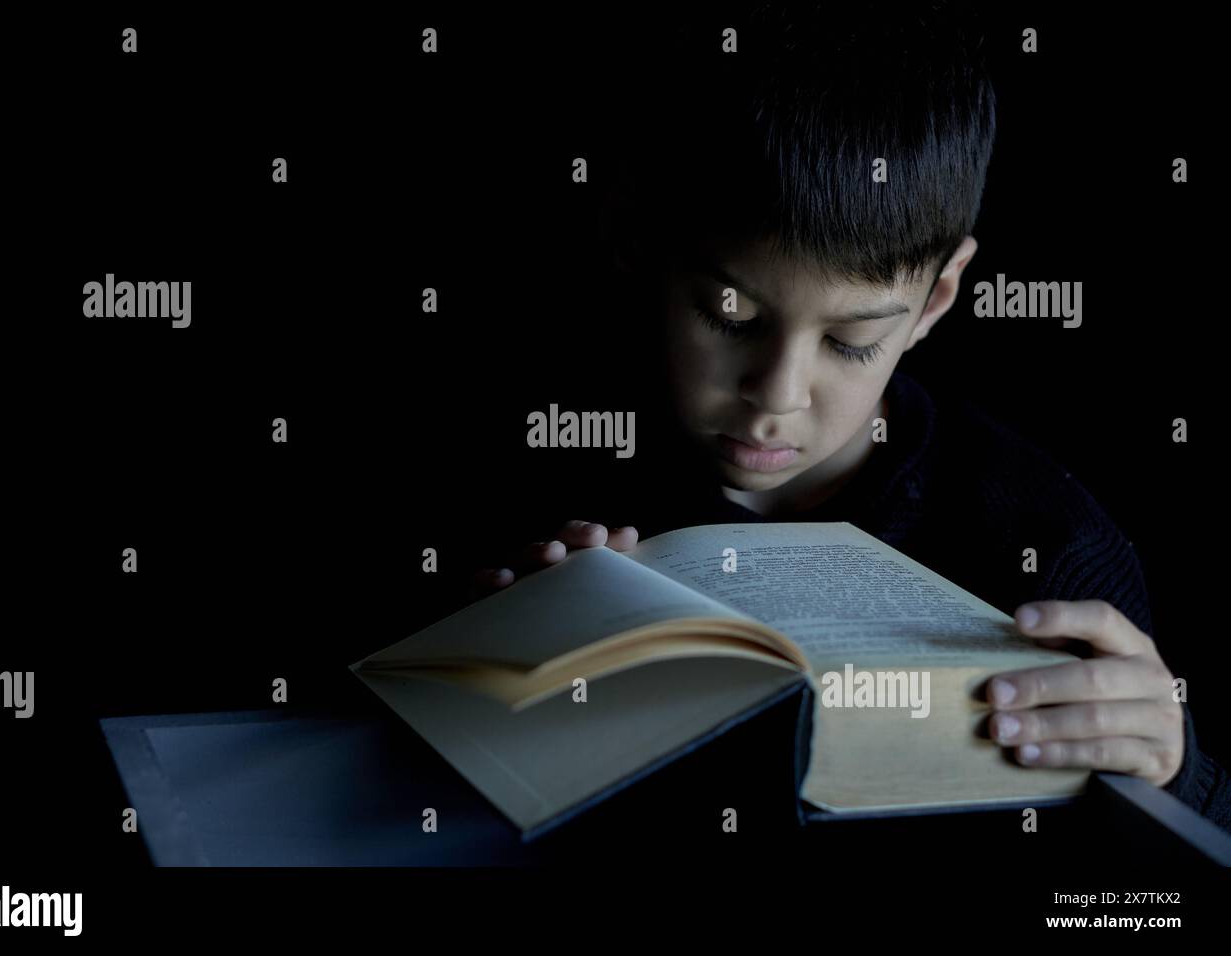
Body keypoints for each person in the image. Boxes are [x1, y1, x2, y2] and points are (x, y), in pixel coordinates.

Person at [469, 2, 1231, 832]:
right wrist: (485, 664)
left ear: (936, 298)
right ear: (635, 234)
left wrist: (1173, 776)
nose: (778, 397)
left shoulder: (1050, 552)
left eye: (853, 341)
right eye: (731, 319)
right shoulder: (528, 466)